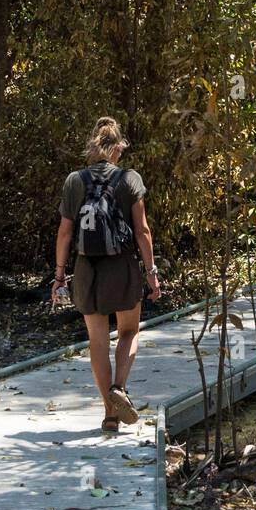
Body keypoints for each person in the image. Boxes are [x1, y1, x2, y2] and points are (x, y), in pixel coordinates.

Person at [51, 117, 161, 432]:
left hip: (87, 268)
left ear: (94, 146)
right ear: (118, 148)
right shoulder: (129, 180)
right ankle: (120, 387)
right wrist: (152, 273)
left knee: (97, 342)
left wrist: (60, 275)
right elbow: (142, 231)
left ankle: (109, 415)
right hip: (121, 265)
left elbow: (64, 233)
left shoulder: (75, 180)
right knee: (129, 331)